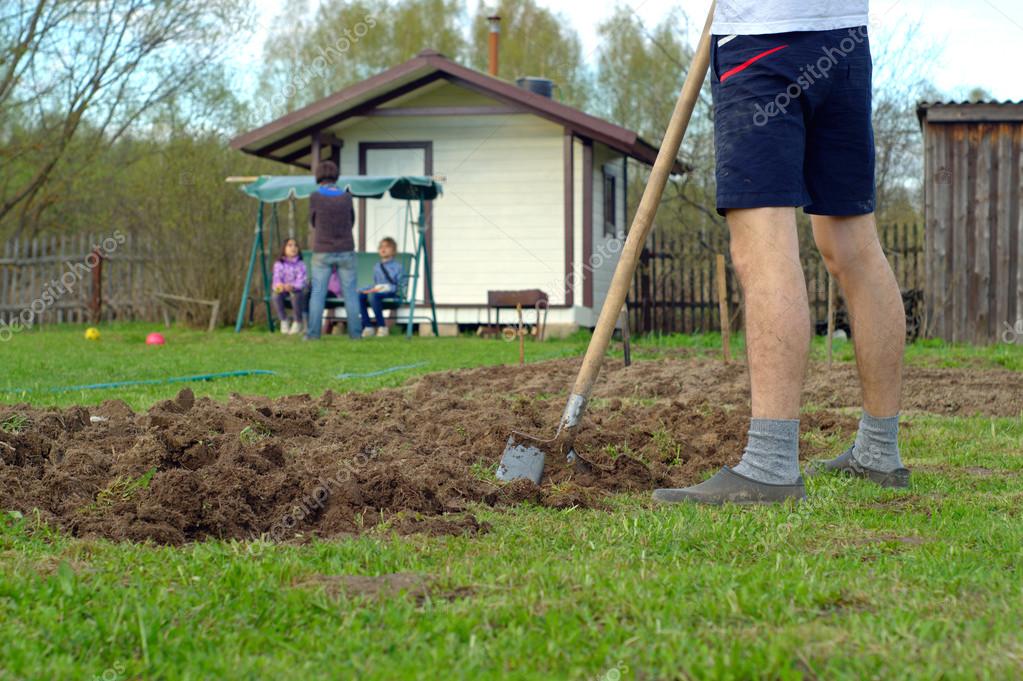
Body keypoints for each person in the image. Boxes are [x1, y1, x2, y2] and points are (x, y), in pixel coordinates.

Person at [653, 1, 910, 505]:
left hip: (764, 39)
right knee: (853, 245)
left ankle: (770, 467)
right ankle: (880, 453)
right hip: (843, 41)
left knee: (764, 247)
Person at [305, 161, 362, 340]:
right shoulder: (346, 196)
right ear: (336, 176)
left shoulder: (315, 197)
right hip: (346, 249)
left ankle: (313, 335)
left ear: (318, 176)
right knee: (350, 294)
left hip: (322, 250)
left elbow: (313, 221)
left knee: (317, 294)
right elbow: (351, 221)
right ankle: (355, 335)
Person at [359, 237, 405, 338]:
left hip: (392, 293)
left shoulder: (398, 267)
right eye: (381, 247)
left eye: (387, 247)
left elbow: (401, 285)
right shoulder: (377, 267)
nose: (383, 249)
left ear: (393, 250)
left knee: (373, 296)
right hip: (378, 292)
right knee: (360, 296)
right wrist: (362, 290)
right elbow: (375, 284)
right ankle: (368, 326)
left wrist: (386, 287)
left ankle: (382, 326)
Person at [271, 238, 307, 335]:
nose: (293, 248)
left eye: (295, 245)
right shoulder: (278, 264)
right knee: (275, 295)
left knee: (295, 294)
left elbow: (301, 280)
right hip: (282, 289)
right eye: (290, 245)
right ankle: (284, 320)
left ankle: (297, 322)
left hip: (297, 290)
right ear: (284, 248)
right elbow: (276, 279)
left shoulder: (301, 264)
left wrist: (292, 286)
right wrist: (280, 286)